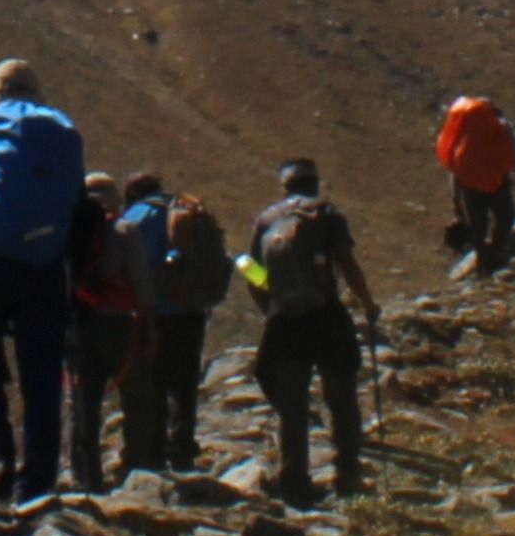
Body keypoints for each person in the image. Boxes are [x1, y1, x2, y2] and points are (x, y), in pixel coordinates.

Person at [0, 57, 86, 499]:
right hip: (46, 268)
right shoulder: (63, 134)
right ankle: (38, 480)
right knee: (41, 376)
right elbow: (77, 208)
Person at [240, 157, 382, 503]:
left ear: (284, 186)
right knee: (342, 396)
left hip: (285, 322)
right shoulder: (327, 213)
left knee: (293, 404)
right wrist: (366, 302)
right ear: (315, 183)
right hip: (325, 313)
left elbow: (253, 274)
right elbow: (346, 262)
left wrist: (271, 309)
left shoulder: (266, 220)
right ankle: (347, 475)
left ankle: (295, 482)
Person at [62, 170, 145, 493]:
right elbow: (142, 285)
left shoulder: (70, 227)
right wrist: (148, 323)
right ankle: (137, 468)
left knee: (83, 403)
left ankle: (85, 476)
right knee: (136, 396)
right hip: (120, 322)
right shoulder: (125, 228)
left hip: (78, 323)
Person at [138, 185, 229, 470]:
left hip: (156, 312)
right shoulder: (191, 215)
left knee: (154, 381)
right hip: (192, 308)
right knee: (186, 382)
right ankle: (182, 448)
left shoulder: (139, 214)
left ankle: (153, 450)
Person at [436, 92, 515, 273]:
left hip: (469, 185)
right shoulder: (501, 127)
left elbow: (454, 168)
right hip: (497, 182)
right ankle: (495, 252)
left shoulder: (462, 136)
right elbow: (514, 152)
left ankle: (482, 260)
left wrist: (456, 202)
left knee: (478, 225)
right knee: (506, 217)